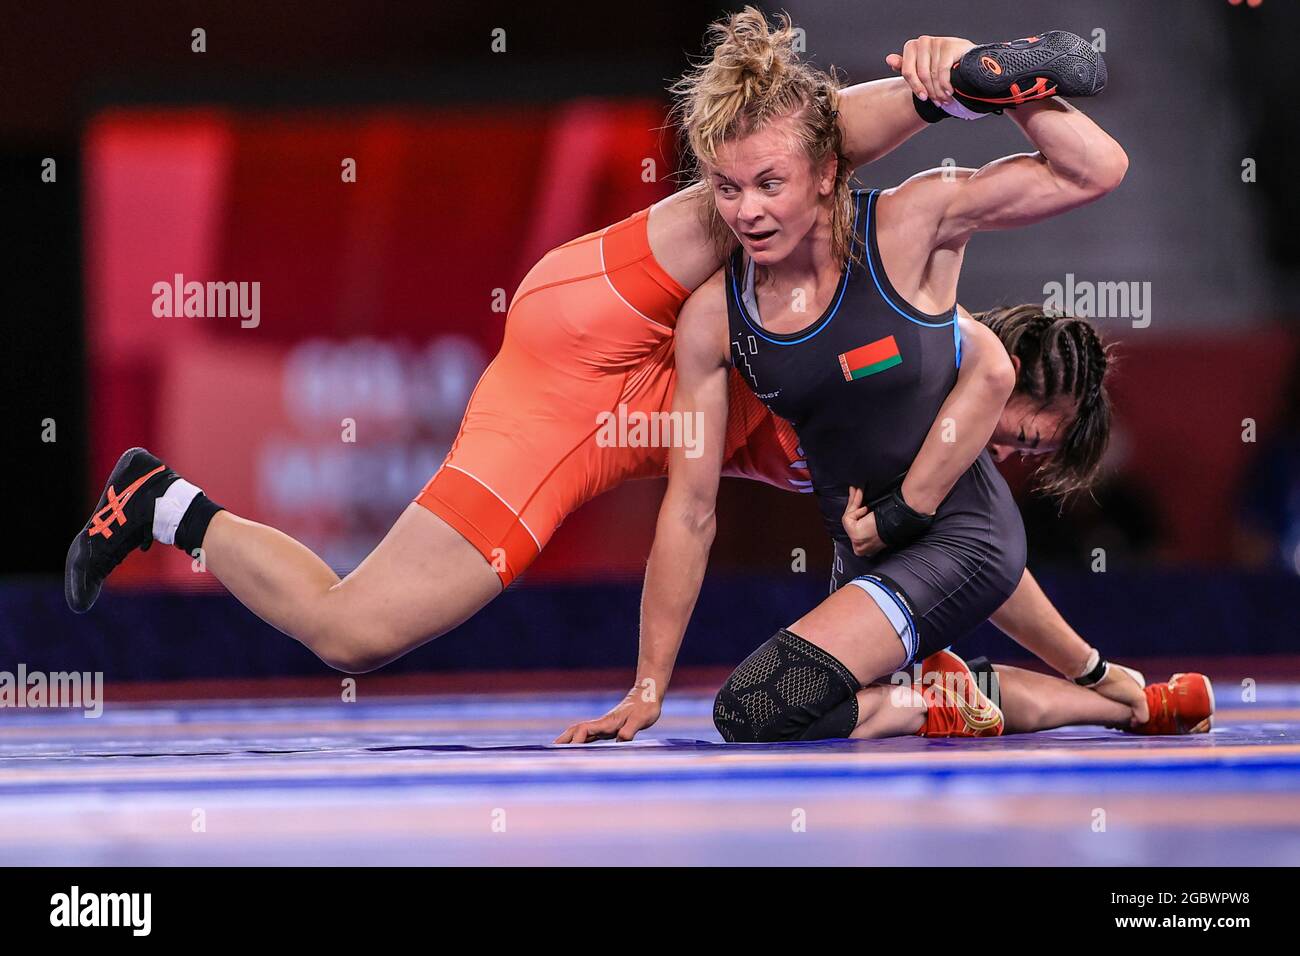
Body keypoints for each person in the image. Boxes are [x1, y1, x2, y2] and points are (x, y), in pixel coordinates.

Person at [65, 23, 1024, 678]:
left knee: (351, 634)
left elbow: (973, 567)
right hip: (582, 348)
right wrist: (953, 88)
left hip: (645, 419)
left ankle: (162, 504)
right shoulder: (916, 320)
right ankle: (956, 89)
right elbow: (811, 148)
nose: (1017, 455)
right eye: (1030, 438)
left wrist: (1105, 682)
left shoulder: (923, 464)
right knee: (742, 199)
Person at [556, 10, 1140, 745]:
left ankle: (931, 703)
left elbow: (1096, 170)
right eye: (726, 188)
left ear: (829, 170)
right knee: (831, 702)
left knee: (757, 708)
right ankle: (1130, 703)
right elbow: (690, 511)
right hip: (864, 551)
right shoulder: (713, 317)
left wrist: (992, 80)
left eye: (770, 182)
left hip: (959, 536)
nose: (749, 212)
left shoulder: (910, 224)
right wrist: (646, 687)